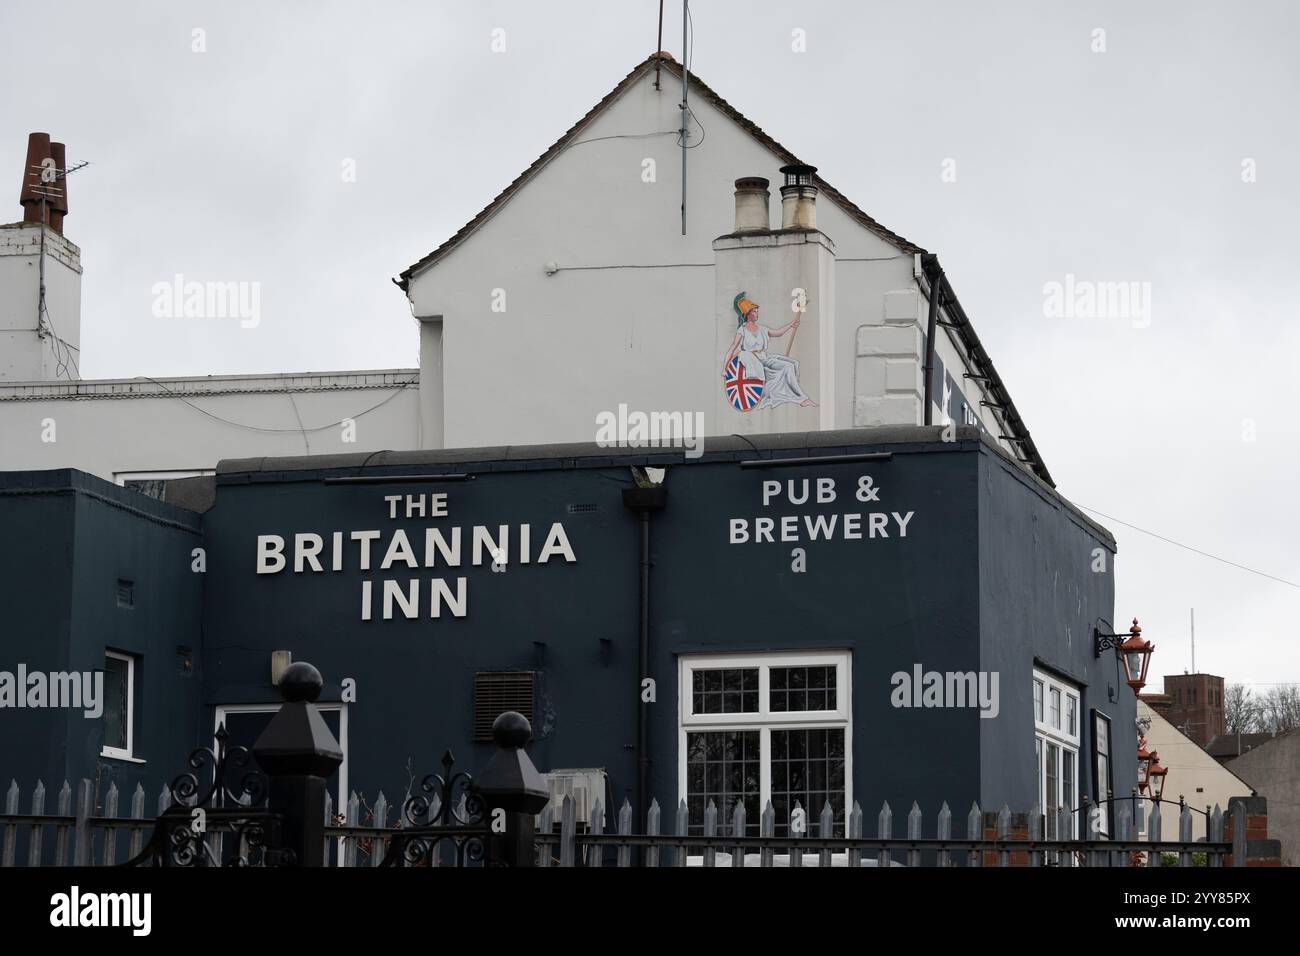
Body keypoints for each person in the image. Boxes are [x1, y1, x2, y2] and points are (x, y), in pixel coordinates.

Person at [722, 293, 816, 409]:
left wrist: (791, 325)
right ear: (747, 314)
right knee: (786, 368)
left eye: (757, 311)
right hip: (753, 362)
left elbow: (778, 332)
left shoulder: (761, 328)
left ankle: (799, 396)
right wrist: (724, 368)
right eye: (754, 312)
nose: (757, 314)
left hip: (764, 358)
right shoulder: (742, 331)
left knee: (791, 365)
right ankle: (802, 399)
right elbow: (732, 348)